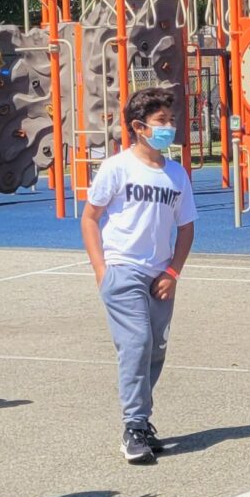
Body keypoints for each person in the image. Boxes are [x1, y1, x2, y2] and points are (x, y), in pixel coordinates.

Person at [81, 87, 196, 465]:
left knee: (156, 349)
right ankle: (133, 425)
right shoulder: (117, 168)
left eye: (171, 121)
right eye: (161, 122)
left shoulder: (177, 174)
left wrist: (173, 271)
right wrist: (102, 269)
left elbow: (186, 228)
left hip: (159, 274)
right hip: (123, 269)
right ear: (139, 127)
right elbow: (90, 218)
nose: (169, 128)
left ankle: (142, 420)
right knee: (137, 343)